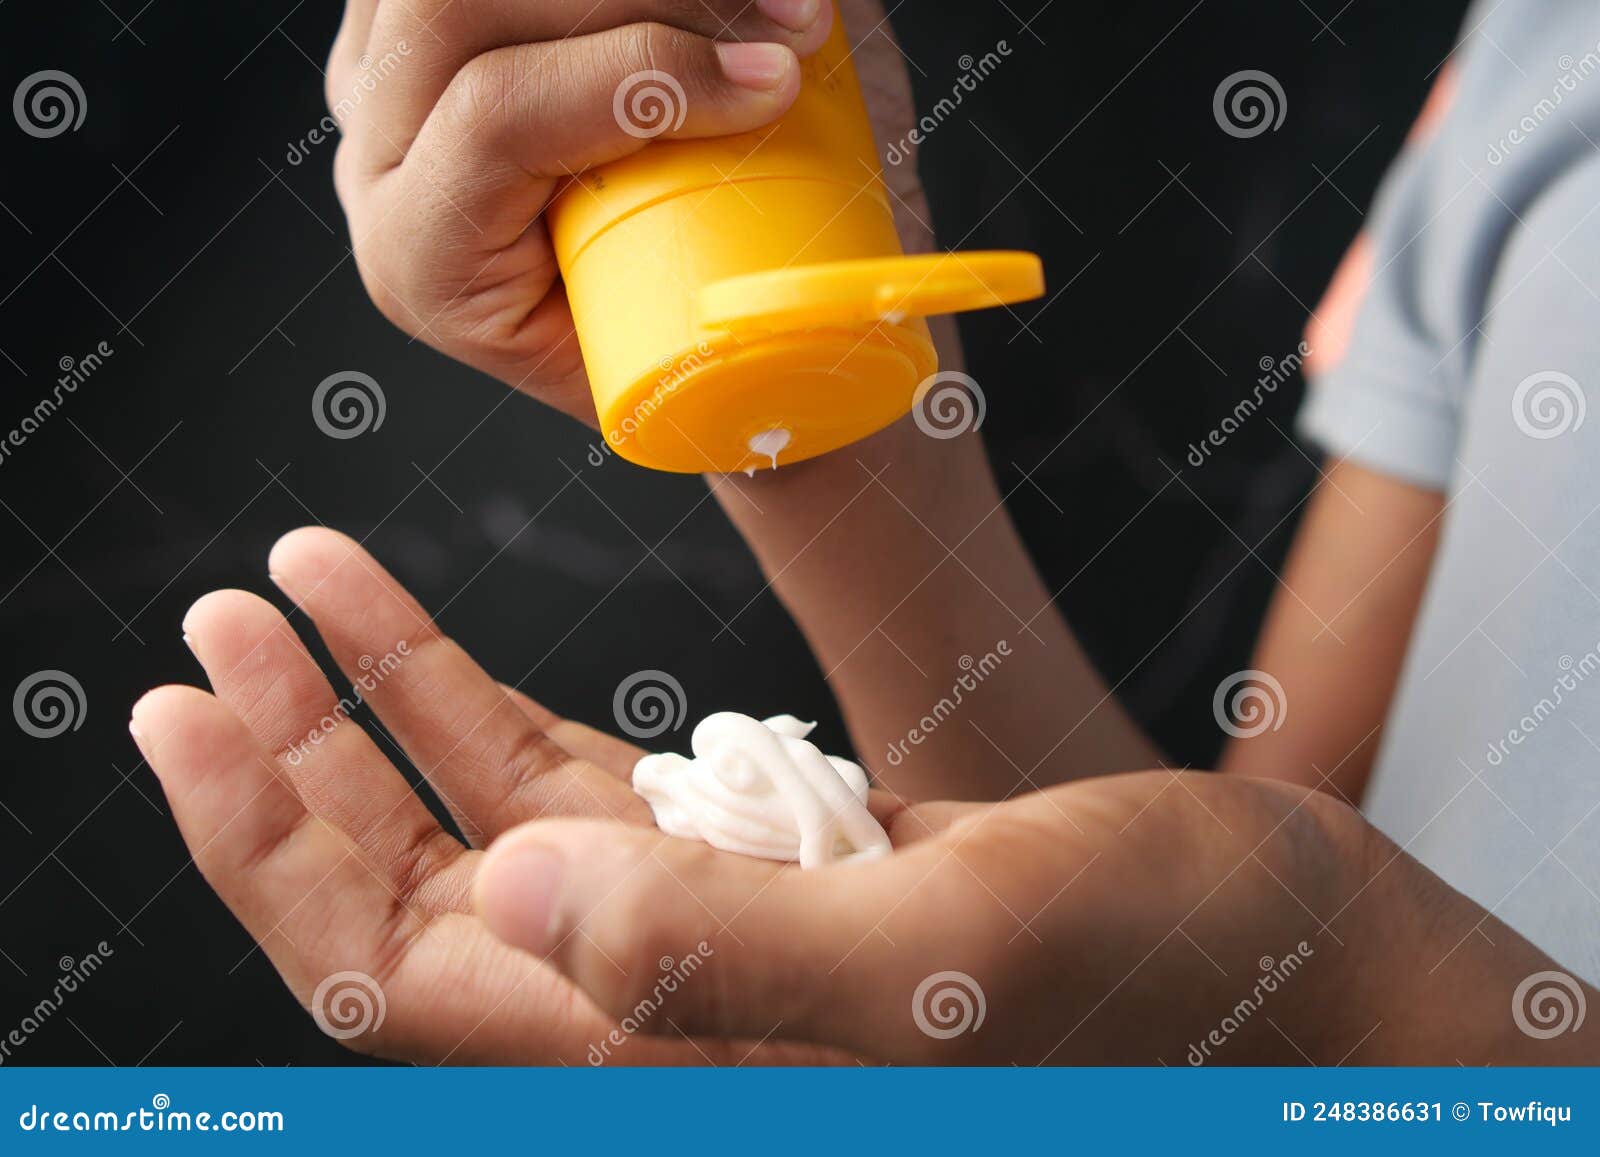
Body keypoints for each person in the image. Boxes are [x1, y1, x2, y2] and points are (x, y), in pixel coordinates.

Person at [130, 0, 1600, 1063]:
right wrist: (830, 419)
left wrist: (1385, 1017)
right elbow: (1200, 923)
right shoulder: (1540, 78)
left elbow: (1326, 970)